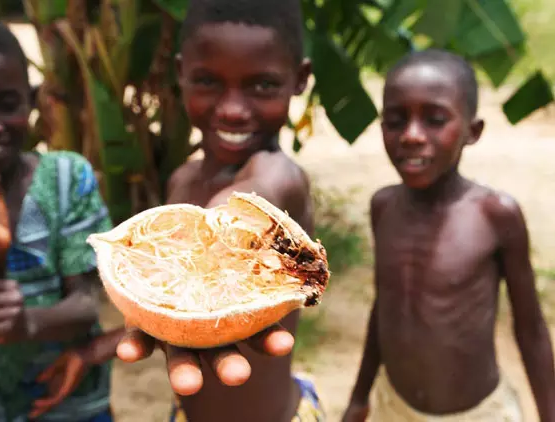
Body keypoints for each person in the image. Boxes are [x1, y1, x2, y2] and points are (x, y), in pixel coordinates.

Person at [36, 0, 326, 420]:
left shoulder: (281, 177)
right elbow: (173, 297)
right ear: (179, 74)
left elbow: (245, 202)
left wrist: (217, 229)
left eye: (261, 85)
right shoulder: (183, 179)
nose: (231, 108)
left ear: (300, 80)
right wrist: (99, 347)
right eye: (208, 81)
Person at [341, 49, 555, 422]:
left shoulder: (495, 214)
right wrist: (360, 396)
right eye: (395, 120)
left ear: (473, 131)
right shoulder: (384, 207)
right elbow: (386, 306)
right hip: (394, 407)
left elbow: (531, 328)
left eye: (435, 120)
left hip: (477, 414)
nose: (411, 136)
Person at [0, 14, 114, 422]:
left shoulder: (65, 180)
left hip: (70, 406)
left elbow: (85, 306)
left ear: (33, 100)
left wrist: (25, 323)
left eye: (5, 105)